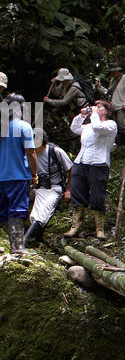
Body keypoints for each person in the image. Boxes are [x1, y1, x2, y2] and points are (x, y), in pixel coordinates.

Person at [64, 100, 117, 239]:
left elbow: (98, 128)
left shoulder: (110, 125)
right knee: (77, 191)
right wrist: (81, 116)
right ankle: (75, 226)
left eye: (99, 107)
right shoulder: (89, 125)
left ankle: (100, 229)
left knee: (97, 195)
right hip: (81, 161)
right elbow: (74, 128)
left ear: (107, 111)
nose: (95, 108)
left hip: (99, 163)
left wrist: (93, 114)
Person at [0, 94, 38, 255]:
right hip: (17, 175)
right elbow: (30, 152)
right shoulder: (23, 126)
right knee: (16, 210)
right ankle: (17, 247)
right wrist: (34, 174)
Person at [25, 129, 72, 246]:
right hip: (37, 187)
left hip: (53, 188)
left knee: (42, 211)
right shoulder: (30, 154)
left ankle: (28, 239)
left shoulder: (55, 151)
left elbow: (71, 169)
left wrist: (68, 189)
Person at [107, 64, 125, 137]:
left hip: (121, 106)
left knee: (121, 124)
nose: (112, 74)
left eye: (114, 72)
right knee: (114, 124)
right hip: (113, 105)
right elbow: (109, 91)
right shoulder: (113, 80)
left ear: (118, 71)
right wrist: (99, 87)